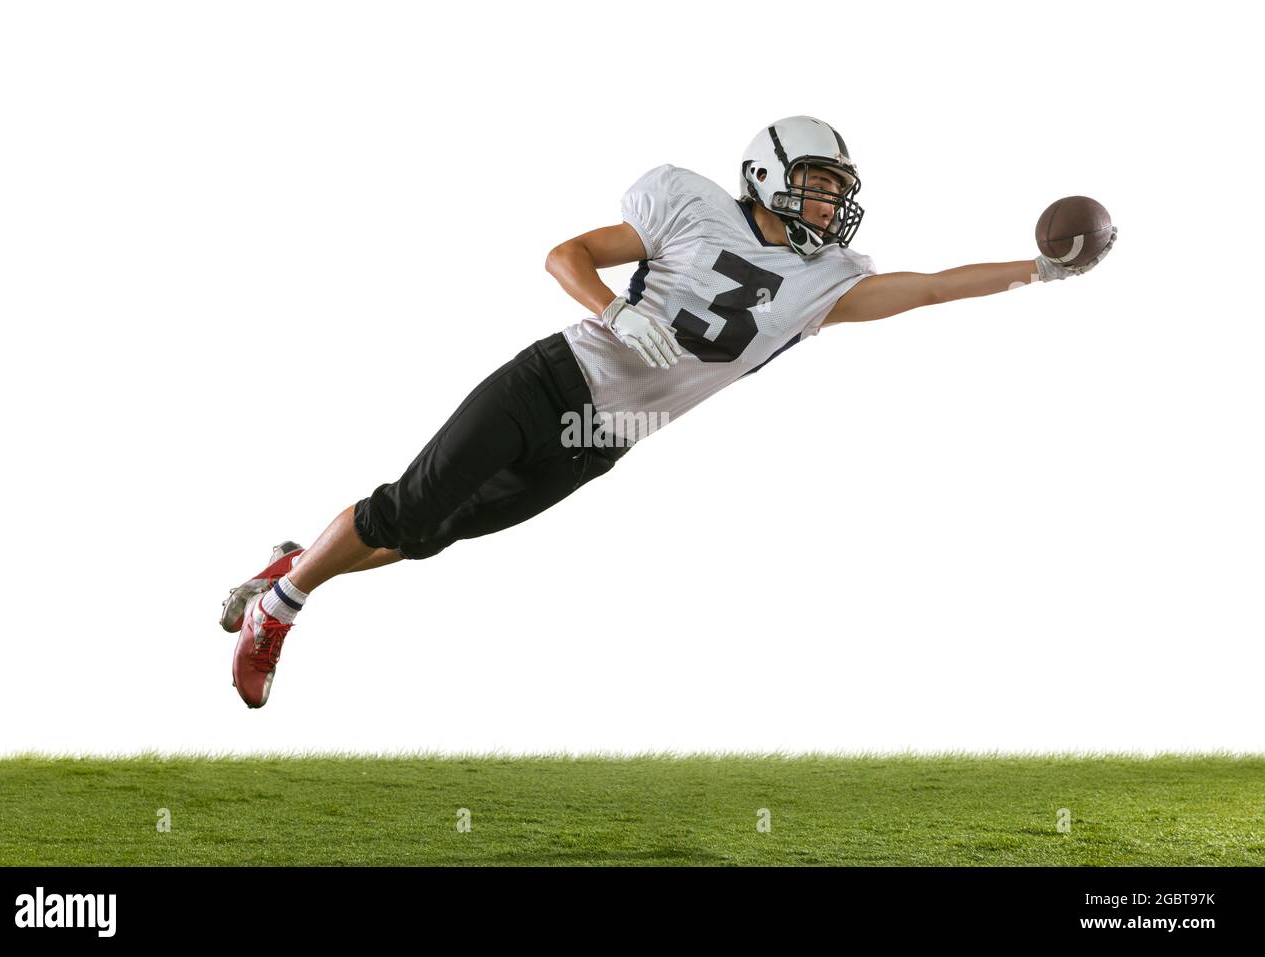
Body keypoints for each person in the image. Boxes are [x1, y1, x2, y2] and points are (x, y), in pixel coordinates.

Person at [219, 114, 1118, 708]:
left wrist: (1036, 270)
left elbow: (926, 290)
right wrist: (612, 310)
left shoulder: (825, 286)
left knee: (428, 534)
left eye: (836, 191)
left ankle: (291, 569)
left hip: (606, 438)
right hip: (551, 380)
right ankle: (284, 608)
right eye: (813, 184)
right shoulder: (688, 204)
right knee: (405, 508)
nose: (829, 203)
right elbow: (565, 252)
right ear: (766, 174)